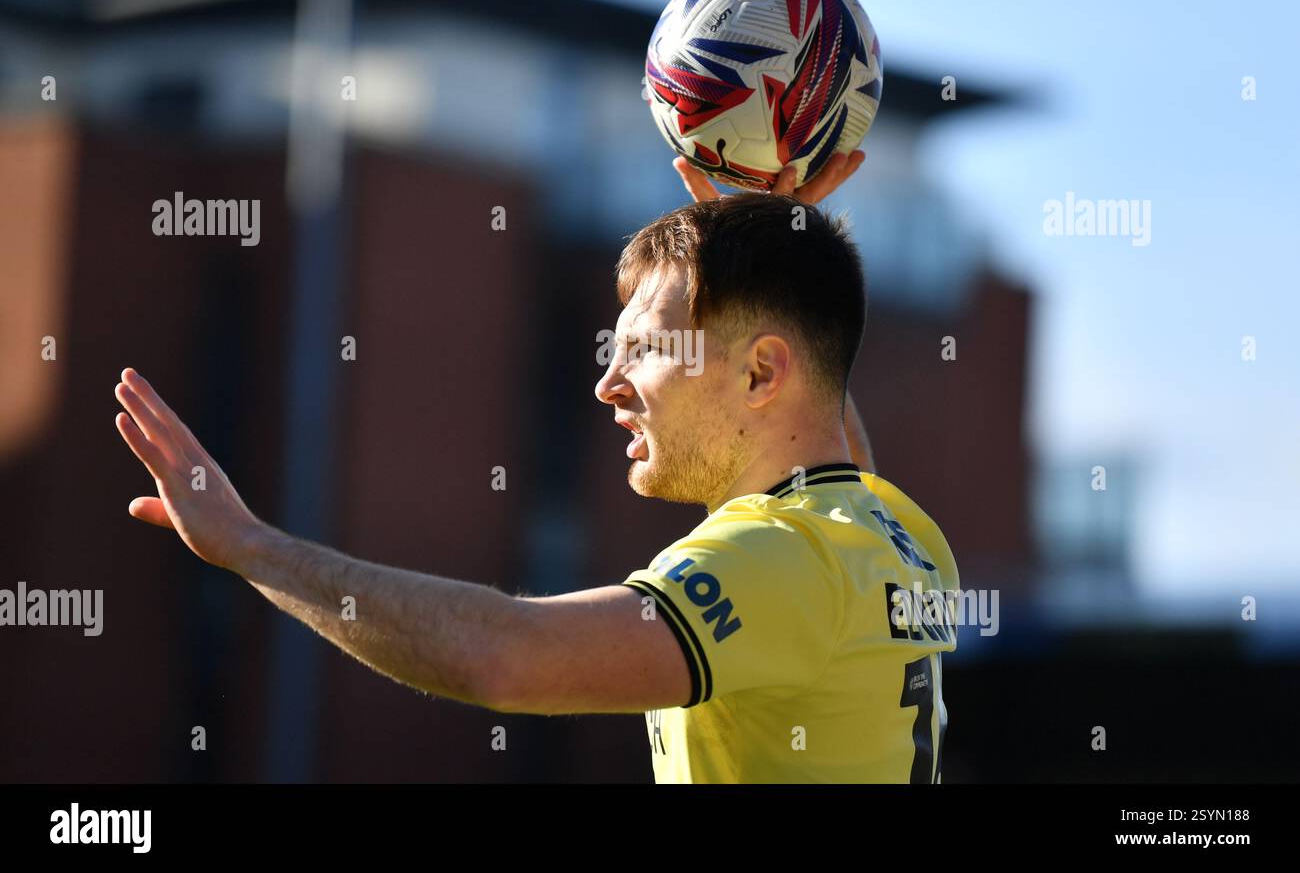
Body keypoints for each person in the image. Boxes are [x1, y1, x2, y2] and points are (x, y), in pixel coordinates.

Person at [113, 151, 958, 783]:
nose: (608, 384)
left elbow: (506, 657)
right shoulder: (896, 533)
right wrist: (780, 231)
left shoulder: (775, 558)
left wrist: (249, 546)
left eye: (645, 350)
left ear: (761, 373)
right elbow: (826, 417)